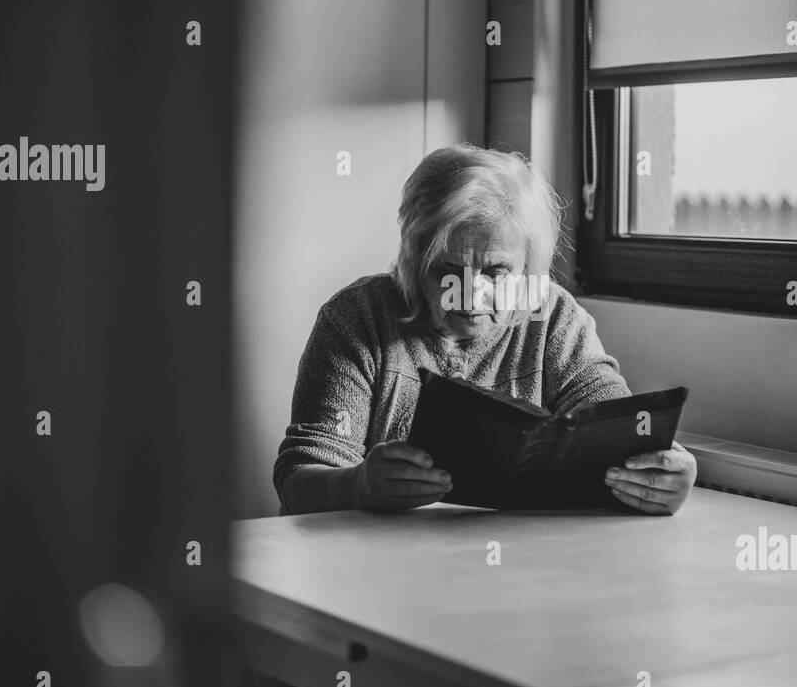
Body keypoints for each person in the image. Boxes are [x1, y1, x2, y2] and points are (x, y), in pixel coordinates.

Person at [273, 143, 695, 515]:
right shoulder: (358, 318)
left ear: (529, 268)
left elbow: (611, 426)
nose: (471, 296)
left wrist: (662, 471)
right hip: (366, 572)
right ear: (414, 260)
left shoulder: (552, 320)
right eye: (448, 270)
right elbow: (297, 482)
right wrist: (358, 484)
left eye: (496, 272)